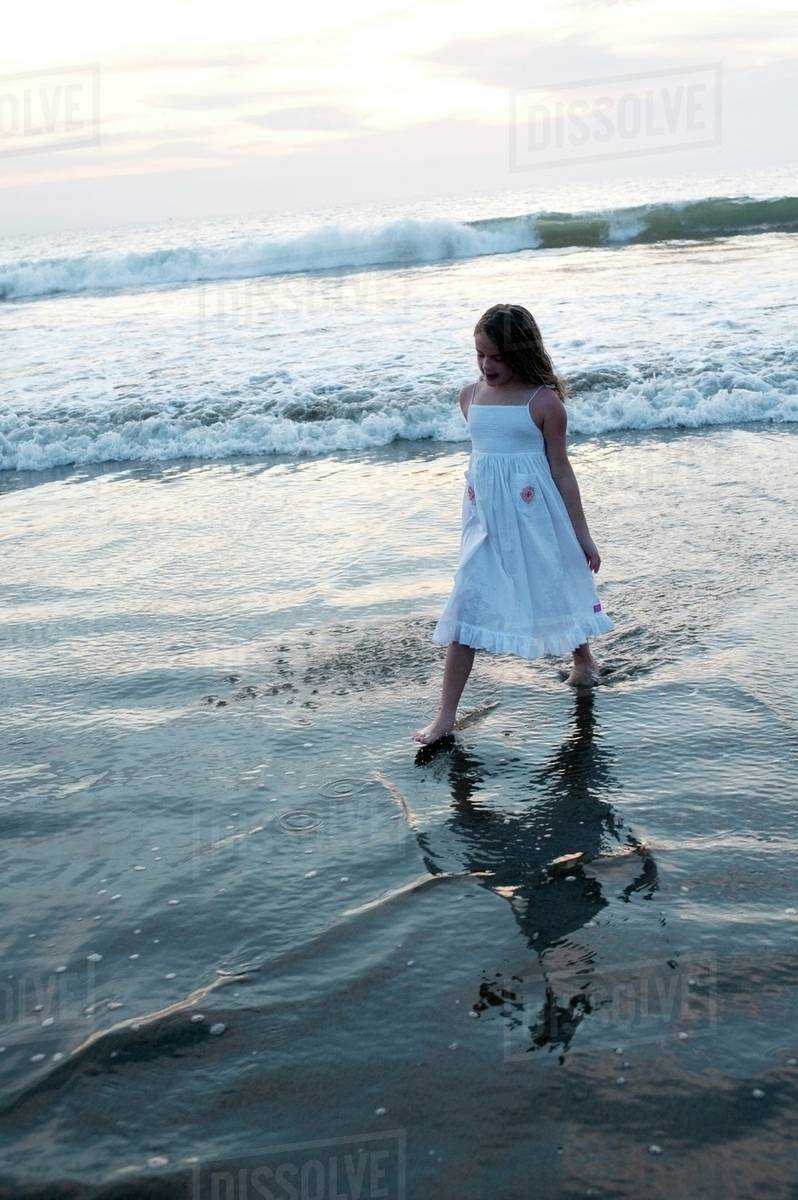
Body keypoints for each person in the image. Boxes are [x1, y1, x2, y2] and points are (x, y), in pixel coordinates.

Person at [414, 303, 614, 746]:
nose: (487, 365)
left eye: (497, 357)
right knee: (465, 606)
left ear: (521, 353)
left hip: (536, 518)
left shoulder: (543, 403)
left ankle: (583, 658)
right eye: (480, 355)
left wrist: (582, 535)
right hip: (484, 524)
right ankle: (445, 716)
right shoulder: (470, 399)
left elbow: (561, 471)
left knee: (555, 583)